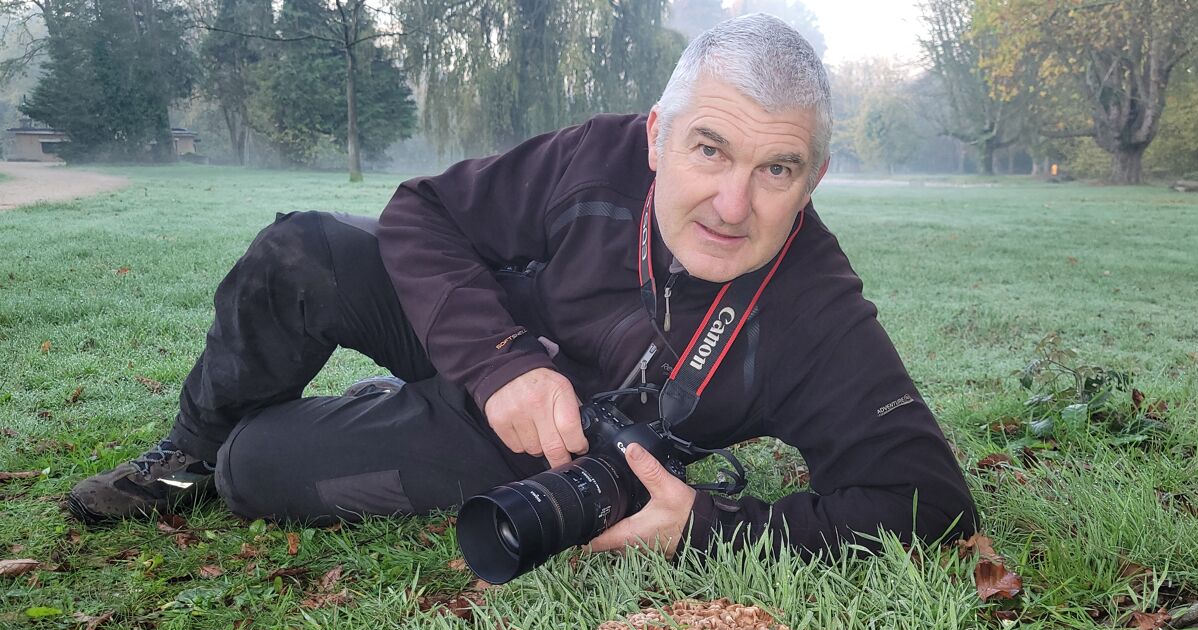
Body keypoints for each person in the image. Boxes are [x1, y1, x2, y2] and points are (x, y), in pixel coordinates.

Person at [67, 14, 977, 560]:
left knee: (258, 470)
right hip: (489, 339)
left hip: (552, 449)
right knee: (301, 250)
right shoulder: (598, 155)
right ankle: (183, 452)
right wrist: (499, 361)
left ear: (812, 181)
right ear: (659, 135)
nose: (732, 204)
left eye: (777, 169)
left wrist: (706, 525)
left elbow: (928, 502)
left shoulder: (815, 307)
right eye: (709, 150)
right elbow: (422, 213)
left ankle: (284, 444)